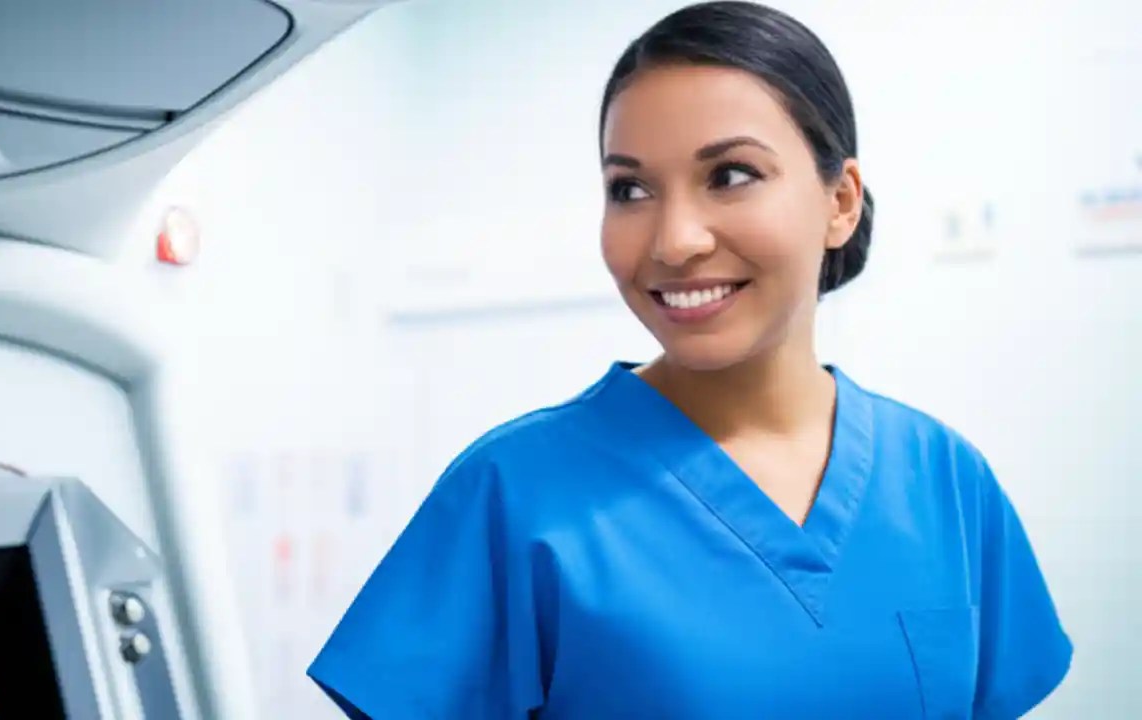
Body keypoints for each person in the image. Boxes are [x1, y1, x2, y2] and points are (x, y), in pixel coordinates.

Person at [306, 2, 1073, 717]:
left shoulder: (944, 479)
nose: (674, 241)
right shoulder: (513, 492)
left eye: (730, 176)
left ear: (839, 202)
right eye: (630, 188)